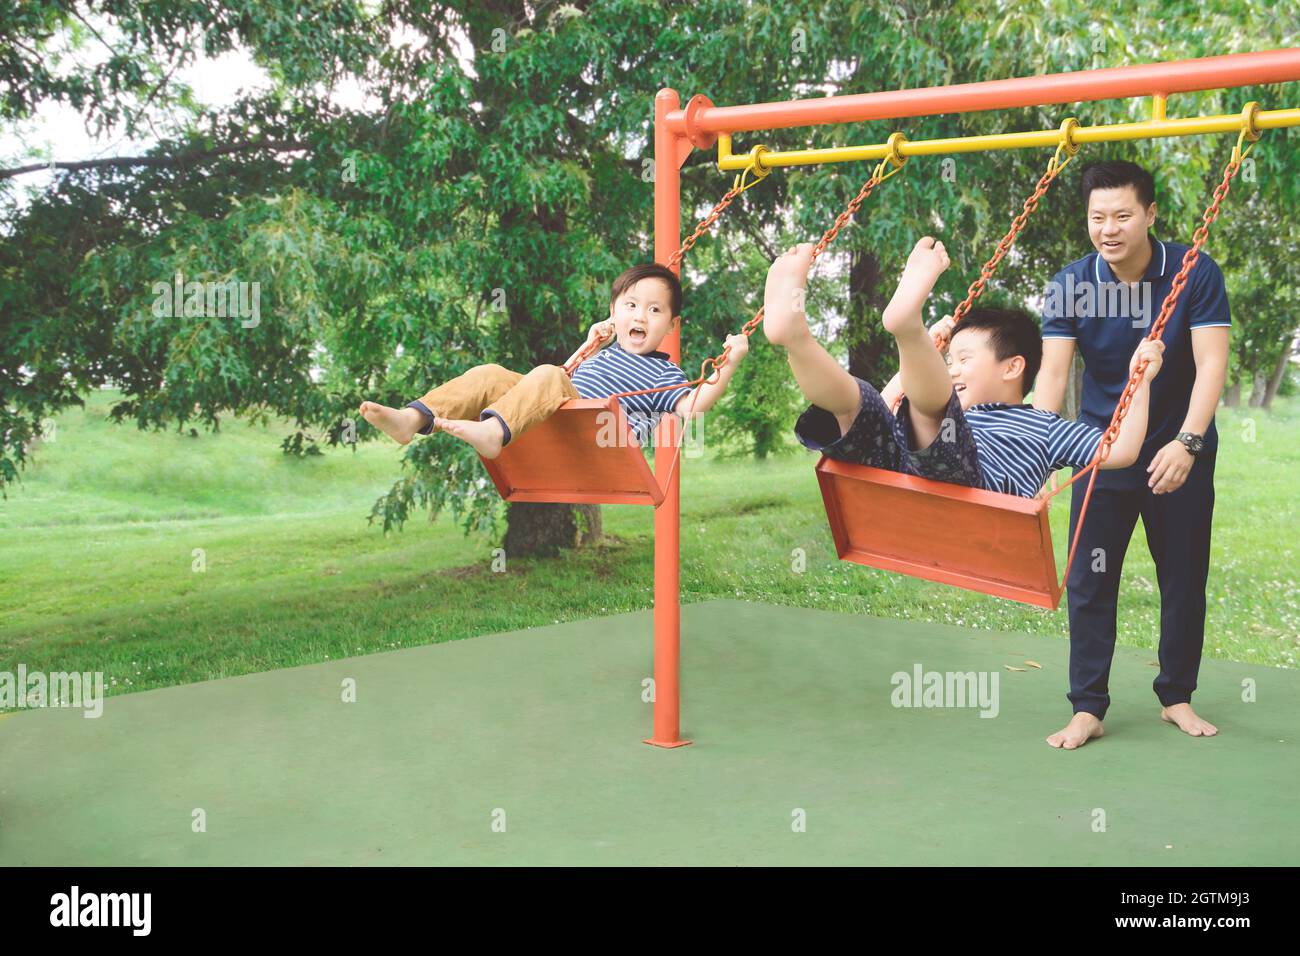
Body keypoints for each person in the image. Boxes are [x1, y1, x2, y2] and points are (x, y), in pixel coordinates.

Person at [1034, 160, 1230, 749]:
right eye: (1098, 217)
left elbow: (1212, 363)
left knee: (1183, 574)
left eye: (1122, 215)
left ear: (1149, 214)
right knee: (1091, 579)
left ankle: (1176, 696)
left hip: (1179, 447)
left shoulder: (1194, 272)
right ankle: (1087, 706)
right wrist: (1039, 457)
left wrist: (1188, 443)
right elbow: (1053, 373)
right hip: (1103, 452)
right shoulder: (1071, 283)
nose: (1109, 228)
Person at [761, 239, 1163, 500]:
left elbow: (1122, 450)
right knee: (857, 407)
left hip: (973, 487)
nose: (953, 369)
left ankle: (907, 326)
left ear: (1013, 368)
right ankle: (796, 336)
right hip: (903, 472)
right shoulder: (955, 411)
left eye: (964, 360)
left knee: (937, 418)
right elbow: (880, 410)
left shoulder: (1045, 425)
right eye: (949, 361)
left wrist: (1140, 381)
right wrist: (919, 359)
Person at [360, 263, 748, 456]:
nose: (640, 316)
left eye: (654, 310)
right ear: (614, 311)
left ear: (672, 324)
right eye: (630, 305)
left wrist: (728, 363)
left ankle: (492, 434)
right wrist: (587, 344)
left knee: (548, 375)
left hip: (596, 439)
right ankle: (411, 420)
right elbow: (554, 386)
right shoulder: (603, 349)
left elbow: (694, 406)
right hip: (558, 418)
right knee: (489, 374)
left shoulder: (666, 372)